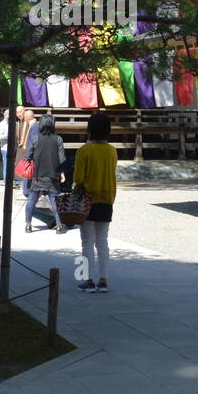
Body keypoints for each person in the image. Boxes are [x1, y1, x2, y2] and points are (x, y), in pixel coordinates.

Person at [73, 112, 118, 293]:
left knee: (87, 242)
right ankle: (103, 279)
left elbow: (78, 178)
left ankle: (87, 279)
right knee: (102, 241)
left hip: (88, 200)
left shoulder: (84, 151)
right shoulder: (112, 151)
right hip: (107, 199)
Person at [24, 114, 66, 233]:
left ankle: (28, 225)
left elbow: (28, 156)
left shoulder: (35, 138)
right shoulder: (58, 139)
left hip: (37, 174)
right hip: (53, 174)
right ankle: (59, 225)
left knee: (32, 199)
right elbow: (62, 159)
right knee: (54, 200)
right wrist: (62, 173)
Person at [0, 109, 10, 183]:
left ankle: (10, 179)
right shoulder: (1, 124)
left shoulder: (12, 123)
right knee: (6, 164)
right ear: (5, 116)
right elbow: (0, 137)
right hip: (5, 147)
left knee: (11, 165)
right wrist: (8, 136)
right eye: (8, 117)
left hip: (12, 147)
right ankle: (5, 180)